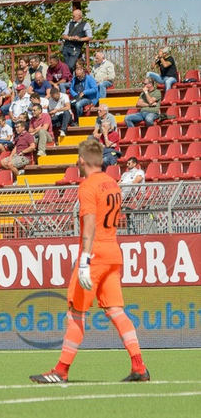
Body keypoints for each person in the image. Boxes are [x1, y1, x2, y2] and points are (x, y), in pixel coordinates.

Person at [30, 139, 149, 384]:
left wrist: (84, 260)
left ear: (81, 161)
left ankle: (61, 370)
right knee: (116, 311)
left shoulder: (88, 186)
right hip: (113, 252)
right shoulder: (113, 183)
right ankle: (139, 366)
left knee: (76, 314)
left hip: (94, 255)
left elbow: (90, 225)